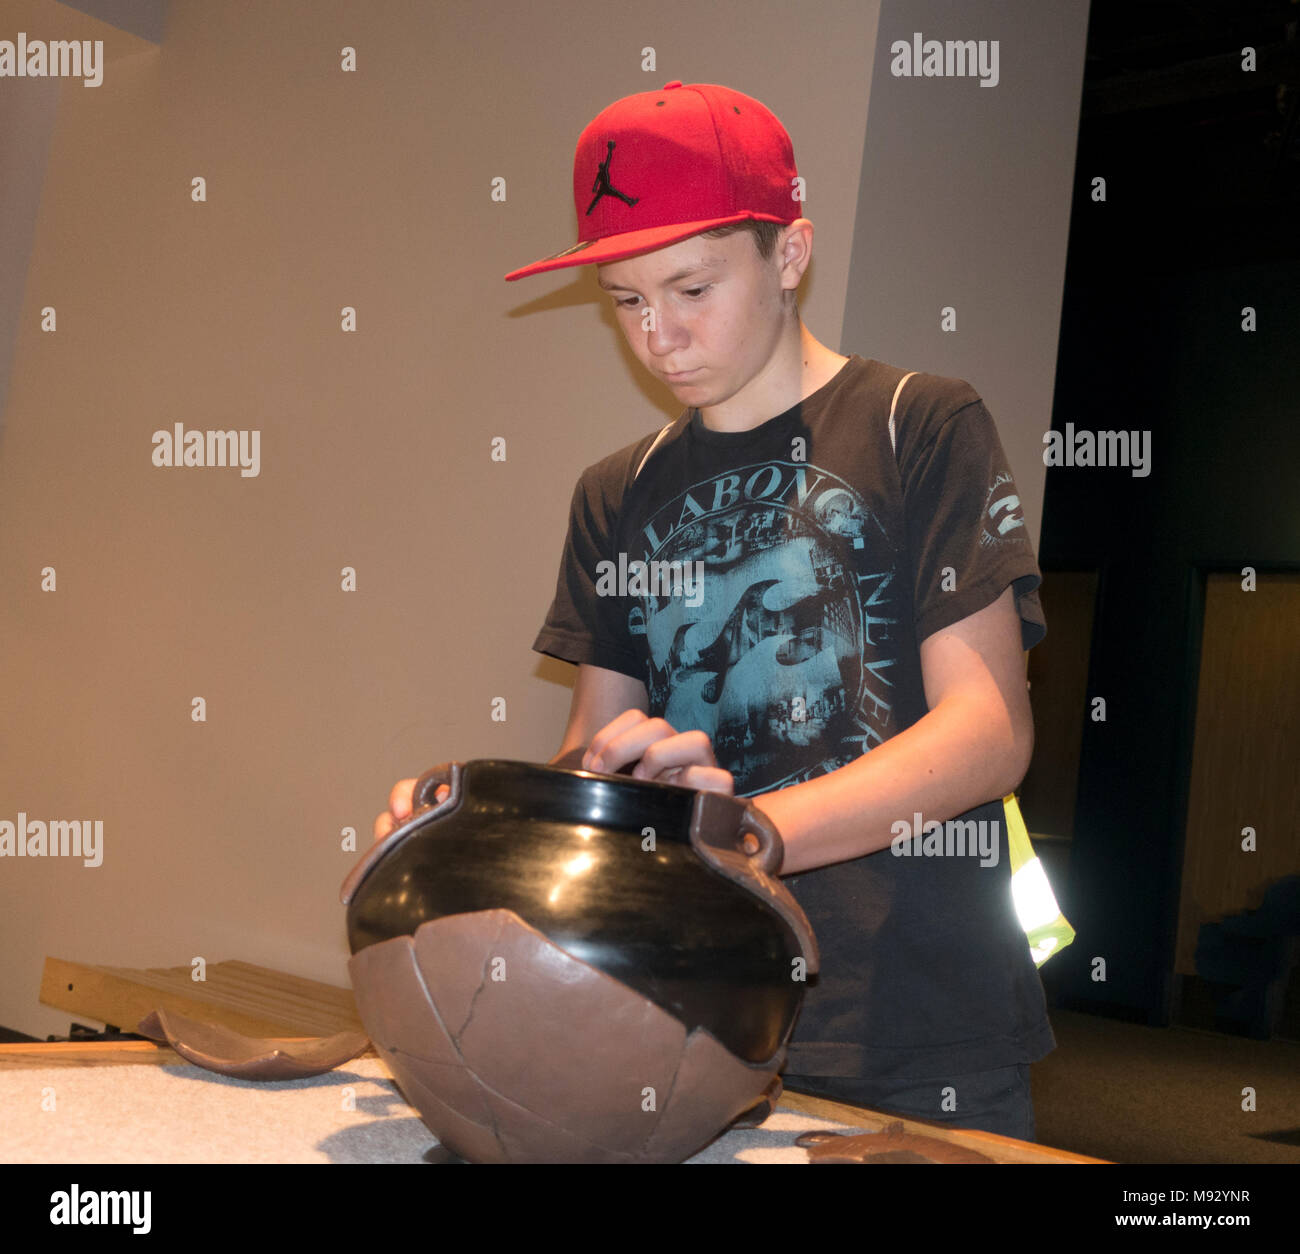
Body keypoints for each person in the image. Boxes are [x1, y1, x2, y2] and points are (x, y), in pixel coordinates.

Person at [374, 81, 1055, 1142]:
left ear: (788, 254)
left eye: (689, 288)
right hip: (675, 1018)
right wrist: (472, 831)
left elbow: (988, 733)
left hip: (911, 1020)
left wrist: (739, 838)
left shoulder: (918, 424)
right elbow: (592, 764)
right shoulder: (616, 490)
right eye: (628, 302)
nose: (659, 336)